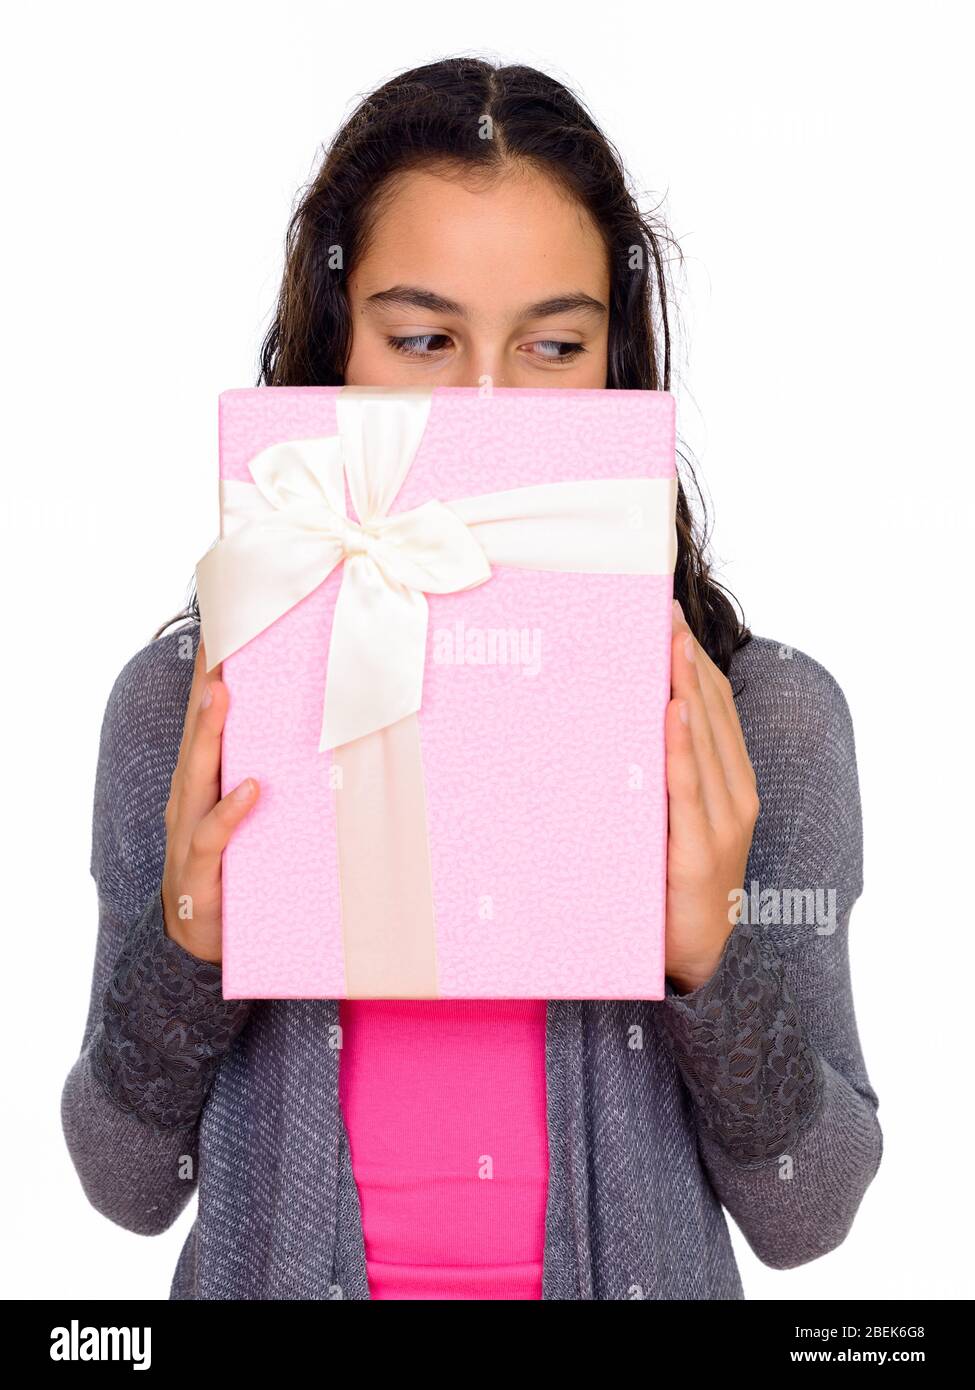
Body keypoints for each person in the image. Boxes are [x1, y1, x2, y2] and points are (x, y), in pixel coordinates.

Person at [60, 56, 882, 1300]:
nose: (486, 404)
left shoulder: (765, 724)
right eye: (423, 337)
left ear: (620, 364)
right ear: (334, 346)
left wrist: (714, 953)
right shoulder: (187, 711)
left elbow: (808, 1214)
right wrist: (190, 950)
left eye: (554, 343)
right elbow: (125, 1186)